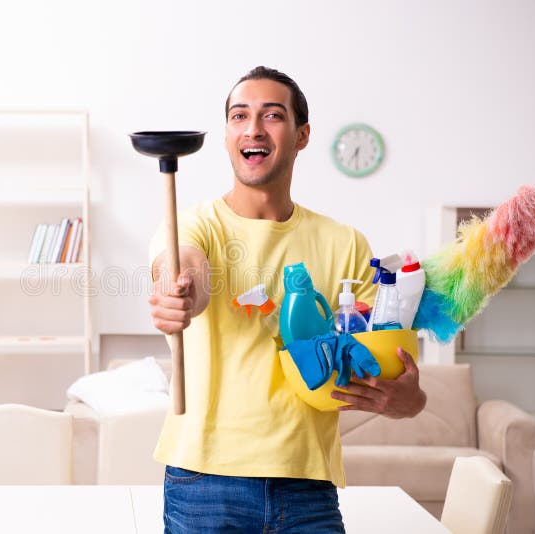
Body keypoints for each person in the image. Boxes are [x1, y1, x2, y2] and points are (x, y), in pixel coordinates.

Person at [147, 66, 426, 533]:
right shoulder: (193, 225)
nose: (253, 128)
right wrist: (177, 294)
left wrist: (408, 399)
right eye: (239, 116)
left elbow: (385, 351)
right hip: (204, 483)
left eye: (272, 115)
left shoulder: (345, 243)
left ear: (302, 135)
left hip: (307, 486)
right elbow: (182, 268)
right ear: (227, 135)